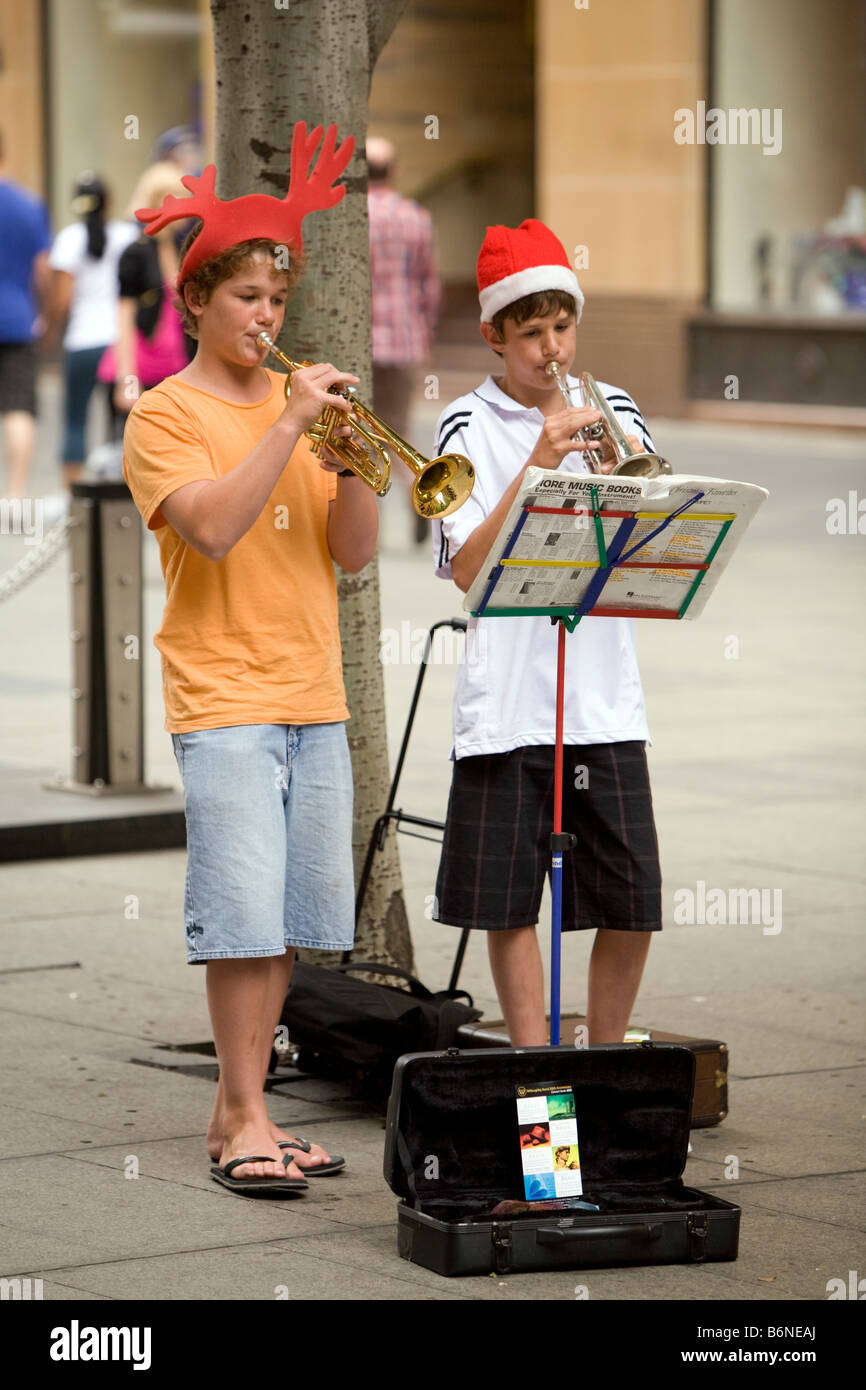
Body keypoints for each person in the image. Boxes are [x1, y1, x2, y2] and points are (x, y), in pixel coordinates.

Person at [122, 123, 378, 1197]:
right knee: (240, 916)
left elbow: (351, 554)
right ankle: (246, 1117)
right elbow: (213, 529)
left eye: (276, 301)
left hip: (310, 691)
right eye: (244, 299)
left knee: (287, 926)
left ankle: (243, 1110)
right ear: (195, 302)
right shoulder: (163, 415)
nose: (265, 319)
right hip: (221, 694)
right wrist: (287, 429)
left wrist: (357, 461)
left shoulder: (300, 412)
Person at [431, 218, 662, 1047]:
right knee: (508, 901)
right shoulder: (464, 424)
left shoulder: (616, 407)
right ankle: (533, 1074)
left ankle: (602, 1066)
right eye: (531, 334)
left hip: (604, 700)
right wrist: (535, 460)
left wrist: (619, 469)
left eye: (562, 328)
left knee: (631, 900)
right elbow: (464, 568)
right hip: (509, 705)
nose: (551, 349)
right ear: (494, 334)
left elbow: (660, 530)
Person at [45, 174, 138, 499]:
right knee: (128, 424)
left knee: (74, 418)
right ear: (108, 203)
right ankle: (131, 495)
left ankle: (73, 496)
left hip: (82, 342)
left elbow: (61, 299)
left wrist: (49, 328)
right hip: (120, 342)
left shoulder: (69, 238)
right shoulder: (127, 235)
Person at [367, 136, 440, 543]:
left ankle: (367, 513)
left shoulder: (348, 214)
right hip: (404, 338)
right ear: (393, 171)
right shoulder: (416, 216)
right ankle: (421, 496)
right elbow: (429, 281)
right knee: (400, 428)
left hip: (360, 339)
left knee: (360, 428)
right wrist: (424, 328)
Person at [97, 164, 194, 422]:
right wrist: (127, 379)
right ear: (159, 201)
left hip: (174, 368)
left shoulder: (182, 248)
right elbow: (125, 316)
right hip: (140, 366)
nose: (185, 206)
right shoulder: (136, 252)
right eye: (177, 198)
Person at [0, 134, 52, 499]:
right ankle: (14, 497)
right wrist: (43, 313)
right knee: (18, 406)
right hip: (18, 320)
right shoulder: (29, 205)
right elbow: (44, 270)